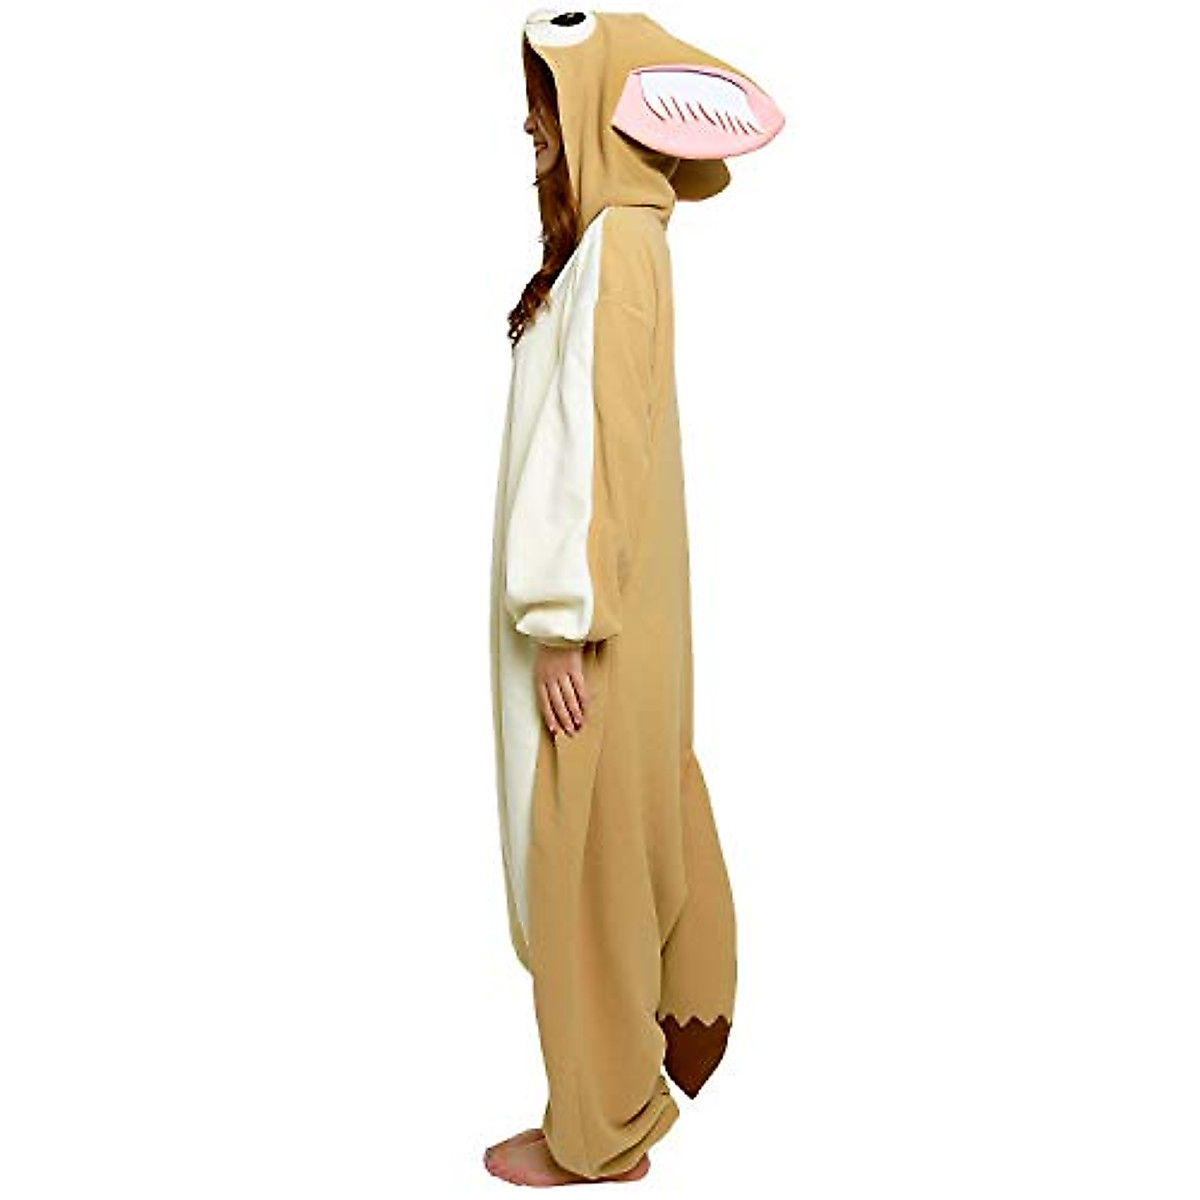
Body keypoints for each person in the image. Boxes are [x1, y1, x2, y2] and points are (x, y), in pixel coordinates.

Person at [484, 8, 784, 1187]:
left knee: (585, 862)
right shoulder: (619, 247)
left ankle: (601, 1129)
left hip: (590, 625)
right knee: (627, 823)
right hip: (618, 612)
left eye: (546, 108)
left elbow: (596, 446)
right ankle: (670, 1030)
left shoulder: (618, 250)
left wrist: (563, 620)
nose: (530, 131)